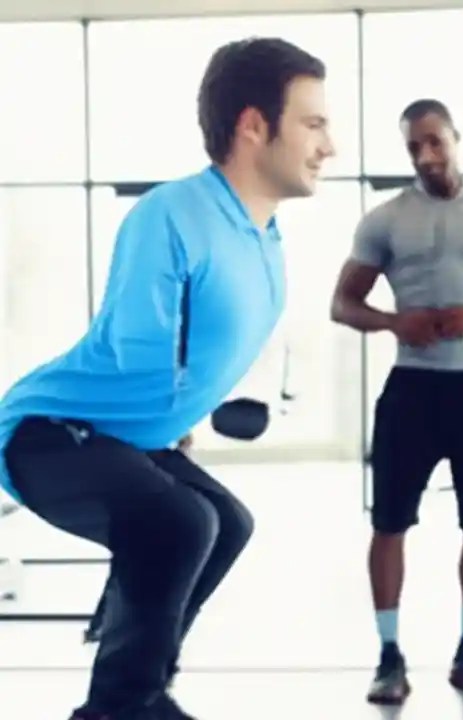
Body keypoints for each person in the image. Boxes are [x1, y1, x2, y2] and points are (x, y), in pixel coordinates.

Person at [0, 37, 334, 720]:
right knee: (177, 522)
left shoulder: (262, 236)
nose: (328, 144)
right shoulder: (170, 213)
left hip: (123, 436)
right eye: (313, 122)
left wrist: (195, 411)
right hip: (45, 434)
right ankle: (115, 709)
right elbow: (135, 347)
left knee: (227, 523)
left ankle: (142, 692)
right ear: (252, 125)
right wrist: (175, 401)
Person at [329, 98, 463, 704]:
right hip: (412, 391)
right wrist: (395, 323)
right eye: (413, 147)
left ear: (455, 138)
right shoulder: (386, 220)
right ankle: (389, 655)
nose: (425, 156)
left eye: (433, 142)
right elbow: (343, 305)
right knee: (389, 523)